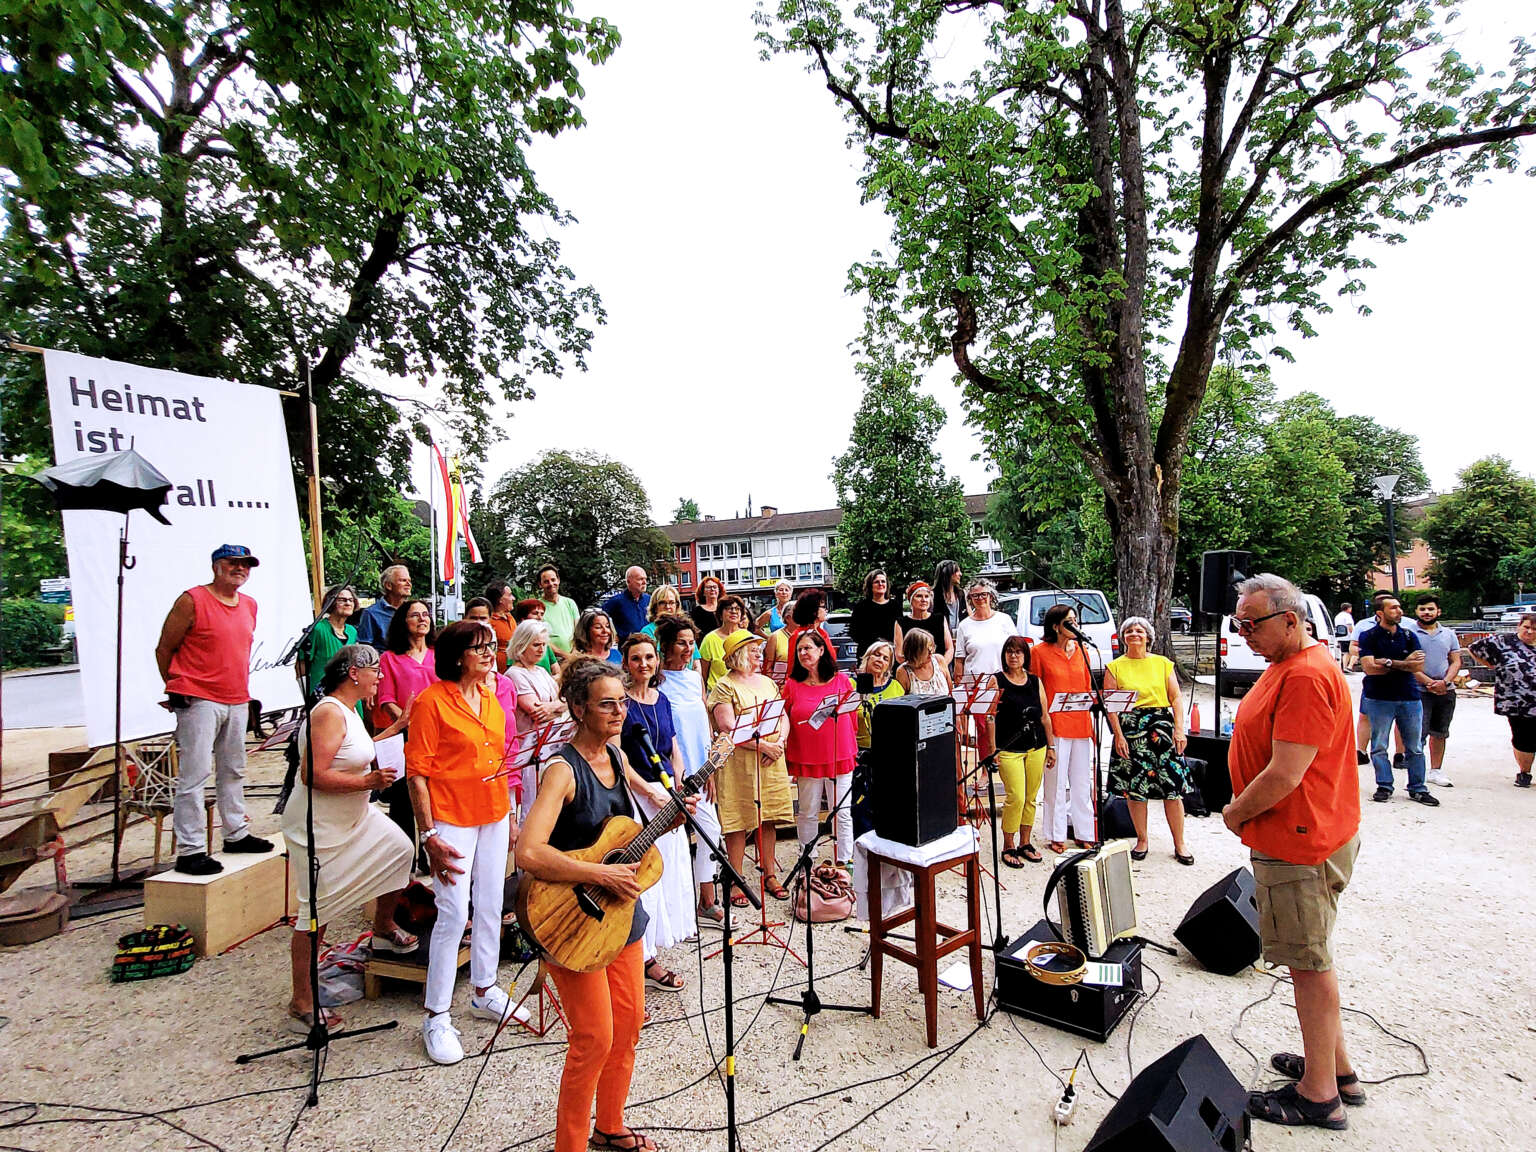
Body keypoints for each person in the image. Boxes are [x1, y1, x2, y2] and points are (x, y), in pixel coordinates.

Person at [518, 658, 694, 1152]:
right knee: (593, 1037)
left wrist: (670, 818)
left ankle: (610, 1126)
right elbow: (529, 852)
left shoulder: (616, 756)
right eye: (607, 704)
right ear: (578, 708)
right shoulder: (561, 770)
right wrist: (597, 873)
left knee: (629, 1024)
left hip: (620, 916)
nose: (619, 711)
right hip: (570, 918)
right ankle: (568, 1146)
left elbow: (633, 827)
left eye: (622, 701)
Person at [1221, 574, 1361, 1133]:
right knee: (1314, 955)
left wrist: (1236, 812)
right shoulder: (1291, 664)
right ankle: (1338, 1069)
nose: (1243, 631)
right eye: (1239, 623)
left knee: (1307, 964)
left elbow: (1285, 772)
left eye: (1252, 623)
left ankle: (1319, 1096)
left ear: (1292, 619)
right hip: (1309, 834)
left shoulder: (1304, 675)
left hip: (1300, 841)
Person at [407, 620, 526, 1066]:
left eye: (491, 646)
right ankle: (436, 1015)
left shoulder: (494, 698)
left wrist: (512, 814)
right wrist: (428, 835)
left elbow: (506, 758)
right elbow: (416, 773)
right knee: (454, 911)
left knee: (492, 902)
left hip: (495, 812)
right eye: (479, 647)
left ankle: (484, 988)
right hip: (450, 815)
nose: (488, 653)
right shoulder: (430, 702)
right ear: (458, 655)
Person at [283, 645, 416, 1033]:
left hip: (354, 817)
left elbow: (360, 749)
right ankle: (301, 1002)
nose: (379, 677)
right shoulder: (327, 711)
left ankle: (384, 927)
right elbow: (313, 775)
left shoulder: (350, 709)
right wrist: (367, 783)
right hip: (319, 825)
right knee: (315, 913)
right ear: (354, 672)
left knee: (400, 851)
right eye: (374, 670)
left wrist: (396, 729)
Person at [154, 543, 273, 875]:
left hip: (237, 697)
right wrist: (175, 684)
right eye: (233, 563)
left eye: (246, 564)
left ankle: (235, 832)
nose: (240, 569)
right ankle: (190, 849)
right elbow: (165, 647)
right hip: (198, 698)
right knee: (194, 774)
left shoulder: (249, 604)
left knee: (233, 768)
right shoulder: (191, 600)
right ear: (216, 566)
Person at [618, 634, 696, 990]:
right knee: (645, 879)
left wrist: (677, 785)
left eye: (649, 657)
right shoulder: (622, 704)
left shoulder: (662, 700)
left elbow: (673, 746)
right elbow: (618, 756)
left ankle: (653, 950)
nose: (644, 664)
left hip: (667, 796)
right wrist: (649, 790)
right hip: (639, 796)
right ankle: (643, 959)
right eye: (636, 658)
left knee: (670, 873)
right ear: (626, 663)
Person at [707, 631, 792, 906]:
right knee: (739, 821)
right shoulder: (724, 686)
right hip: (741, 763)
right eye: (754, 650)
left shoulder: (767, 682)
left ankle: (769, 874)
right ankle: (736, 879)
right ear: (739, 654)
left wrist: (780, 741)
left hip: (771, 758)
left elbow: (782, 715)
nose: (759, 654)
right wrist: (763, 747)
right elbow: (728, 728)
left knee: (768, 818)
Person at [1104, 616, 1193, 863]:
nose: (1134, 634)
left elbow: (1175, 697)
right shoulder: (1115, 667)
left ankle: (1180, 843)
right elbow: (1110, 706)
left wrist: (1179, 728)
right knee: (1135, 790)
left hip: (1162, 727)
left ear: (1148, 636)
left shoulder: (1163, 663)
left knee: (1172, 789)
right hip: (1131, 729)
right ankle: (1142, 839)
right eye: (1129, 631)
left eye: (1139, 630)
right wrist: (1118, 736)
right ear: (1123, 637)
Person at [656, 614, 725, 924]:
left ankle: (706, 900)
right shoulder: (657, 680)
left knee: (711, 830)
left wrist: (708, 768)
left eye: (690, 642)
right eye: (681, 643)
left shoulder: (695, 677)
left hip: (701, 768)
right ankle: (673, 909)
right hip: (672, 774)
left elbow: (702, 727)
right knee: (672, 842)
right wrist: (678, 774)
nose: (687, 648)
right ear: (667, 646)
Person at [781, 629, 858, 867]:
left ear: (821, 650)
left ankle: (844, 860)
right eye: (800, 649)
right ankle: (808, 858)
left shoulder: (841, 681)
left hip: (839, 754)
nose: (804, 653)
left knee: (842, 811)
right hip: (806, 756)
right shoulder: (792, 685)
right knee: (808, 811)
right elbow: (783, 717)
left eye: (808, 648)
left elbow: (852, 717)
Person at [1357, 595, 1437, 807]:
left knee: (1415, 746)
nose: (1399, 611)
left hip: (1409, 696)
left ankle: (1418, 787)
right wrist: (1404, 663)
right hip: (1379, 697)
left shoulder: (1409, 635)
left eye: (1400, 607)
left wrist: (1389, 662)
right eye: (1393, 608)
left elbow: (1418, 666)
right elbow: (1369, 668)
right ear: (1380, 613)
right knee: (1379, 745)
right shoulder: (1368, 636)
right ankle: (1384, 785)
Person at [1031, 603, 1095, 852]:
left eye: (1075, 620)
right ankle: (1056, 834)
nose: (1074, 625)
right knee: (1055, 784)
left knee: (1081, 782)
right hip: (1055, 725)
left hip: (1081, 723)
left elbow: (1088, 687)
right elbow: (1036, 689)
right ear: (1056, 626)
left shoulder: (1082, 650)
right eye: (1069, 622)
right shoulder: (1039, 652)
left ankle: (1084, 831)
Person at [952, 579, 1018, 794]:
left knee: (1008, 727)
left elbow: (1016, 648)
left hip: (1004, 680)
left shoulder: (1004, 620)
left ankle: (1009, 771)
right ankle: (985, 771)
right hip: (977, 683)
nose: (980, 599)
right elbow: (960, 659)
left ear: (991, 596)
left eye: (983, 594)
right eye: (975, 596)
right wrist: (961, 686)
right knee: (983, 730)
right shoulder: (965, 625)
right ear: (969, 599)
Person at [992, 636, 1053, 866]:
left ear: (1025, 655)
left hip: (1036, 745)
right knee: (1015, 796)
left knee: (1030, 797)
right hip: (1009, 747)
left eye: (1018, 652)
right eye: (1009, 651)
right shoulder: (997, 681)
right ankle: (1008, 844)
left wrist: (1052, 745)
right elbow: (990, 717)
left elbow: (1045, 716)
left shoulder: (1035, 681)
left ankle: (1025, 842)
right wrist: (993, 748)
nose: (1014, 656)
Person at [1467, 613, 1536, 788]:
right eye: (1526, 626)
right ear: (1519, 626)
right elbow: (1474, 648)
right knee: (1523, 738)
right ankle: (1524, 772)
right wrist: (1492, 664)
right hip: (1516, 700)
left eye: (1534, 629)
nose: (1529, 631)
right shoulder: (1504, 641)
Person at [507, 619, 567, 808]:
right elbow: (537, 712)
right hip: (529, 750)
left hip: (551, 745)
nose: (541, 649)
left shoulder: (541, 671)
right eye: (536, 645)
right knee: (531, 804)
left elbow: (565, 702)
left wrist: (554, 706)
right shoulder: (515, 674)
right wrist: (560, 706)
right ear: (522, 644)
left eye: (543, 644)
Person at [1403, 594, 1461, 788]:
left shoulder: (1449, 634)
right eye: (1422, 609)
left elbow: (1456, 660)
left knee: (1440, 732)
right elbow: (1408, 663)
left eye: (1430, 609)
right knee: (1417, 734)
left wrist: (1445, 682)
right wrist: (1429, 683)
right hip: (1418, 691)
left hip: (1446, 690)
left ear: (1438, 611)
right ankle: (1415, 775)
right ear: (1416, 612)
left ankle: (1436, 770)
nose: (1426, 613)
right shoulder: (1407, 633)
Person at [851, 640, 905, 839]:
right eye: (876, 655)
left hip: (888, 755)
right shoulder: (851, 685)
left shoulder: (896, 688)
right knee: (860, 806)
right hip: (859, 754)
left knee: (887, 805)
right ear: (867, 656)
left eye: (885, 658)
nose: (880, 660)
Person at [295, 584, 358, 704]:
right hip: (323, 694)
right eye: (342, 600)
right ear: (331, 602)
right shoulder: (318, 629)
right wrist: (306, 695)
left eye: (351, 600)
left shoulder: (352, 631)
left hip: (349, 691)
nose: (348, 603)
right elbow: (301, 664)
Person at [697, 594, 750, 692]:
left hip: (744, 691)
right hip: (717, 693)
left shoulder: (748, 637)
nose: (733, 611)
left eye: (737, 609)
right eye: (728, 608)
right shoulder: (709, 639)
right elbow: (703, 675)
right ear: (720, 614)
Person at [355, 564, 412, 648]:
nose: (408, 584)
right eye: (403, 580)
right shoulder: (371, 613)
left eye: (409, 581)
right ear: (388, 585)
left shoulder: (413, 611)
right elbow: (365, 650)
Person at [901, 581, 954, 670]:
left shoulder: (940, 619)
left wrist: (940, 666)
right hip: (913, 671)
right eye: (919, 596)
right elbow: (899, 654)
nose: (924, 600)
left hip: (939, 669)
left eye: (926, 596)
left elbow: (949, 648)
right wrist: (920, 669)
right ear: (911, 600)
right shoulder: (901, 622)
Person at [849, 568, 902, 657]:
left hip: (890, 654)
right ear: (870, 585)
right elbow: (854, 633)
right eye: (877, 582)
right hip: (868, 654)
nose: (881, 584)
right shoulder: (861, 607)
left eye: (883, 581)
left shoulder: (895, 606)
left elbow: (900, 632)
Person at [536, 564, 581, 664]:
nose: (551, 584)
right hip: (552, 660)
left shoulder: (570, 603)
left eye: (553, 580)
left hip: (574, 656)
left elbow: (578, 631)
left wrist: (573, 652)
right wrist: (565, 655)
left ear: (558, 580)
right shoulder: (537, 607)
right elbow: (541, 638)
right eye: (546, 582)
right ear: (540, 584)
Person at [895, 626, 949, 696]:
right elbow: (901, 700)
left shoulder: (939, 660)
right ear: (915, 652)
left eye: (932, 647)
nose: (931, 652)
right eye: (926, 650)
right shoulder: (903, 671)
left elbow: (950, 692)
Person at [602, 566, 651, 642]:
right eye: (640, 579)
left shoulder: (649, 600)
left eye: (645, 579)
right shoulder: (616, 601)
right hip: (626, 647)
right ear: (628, 582)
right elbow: (601, 617)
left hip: (647, 645)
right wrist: (612, 633)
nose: (644, 582)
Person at [484, 581, 516, 673]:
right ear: (500, 599)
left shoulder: (510, 617)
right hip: (497, 672)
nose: (513, 598)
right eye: (510, 595)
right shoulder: (489, 622)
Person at [934, 560, 966, 637]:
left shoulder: (961, 594)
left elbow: (970, 616)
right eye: (957, 571)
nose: (960, 574)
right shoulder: (933, 596)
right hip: (940, 639)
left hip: (960, 639)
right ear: (948, 573)